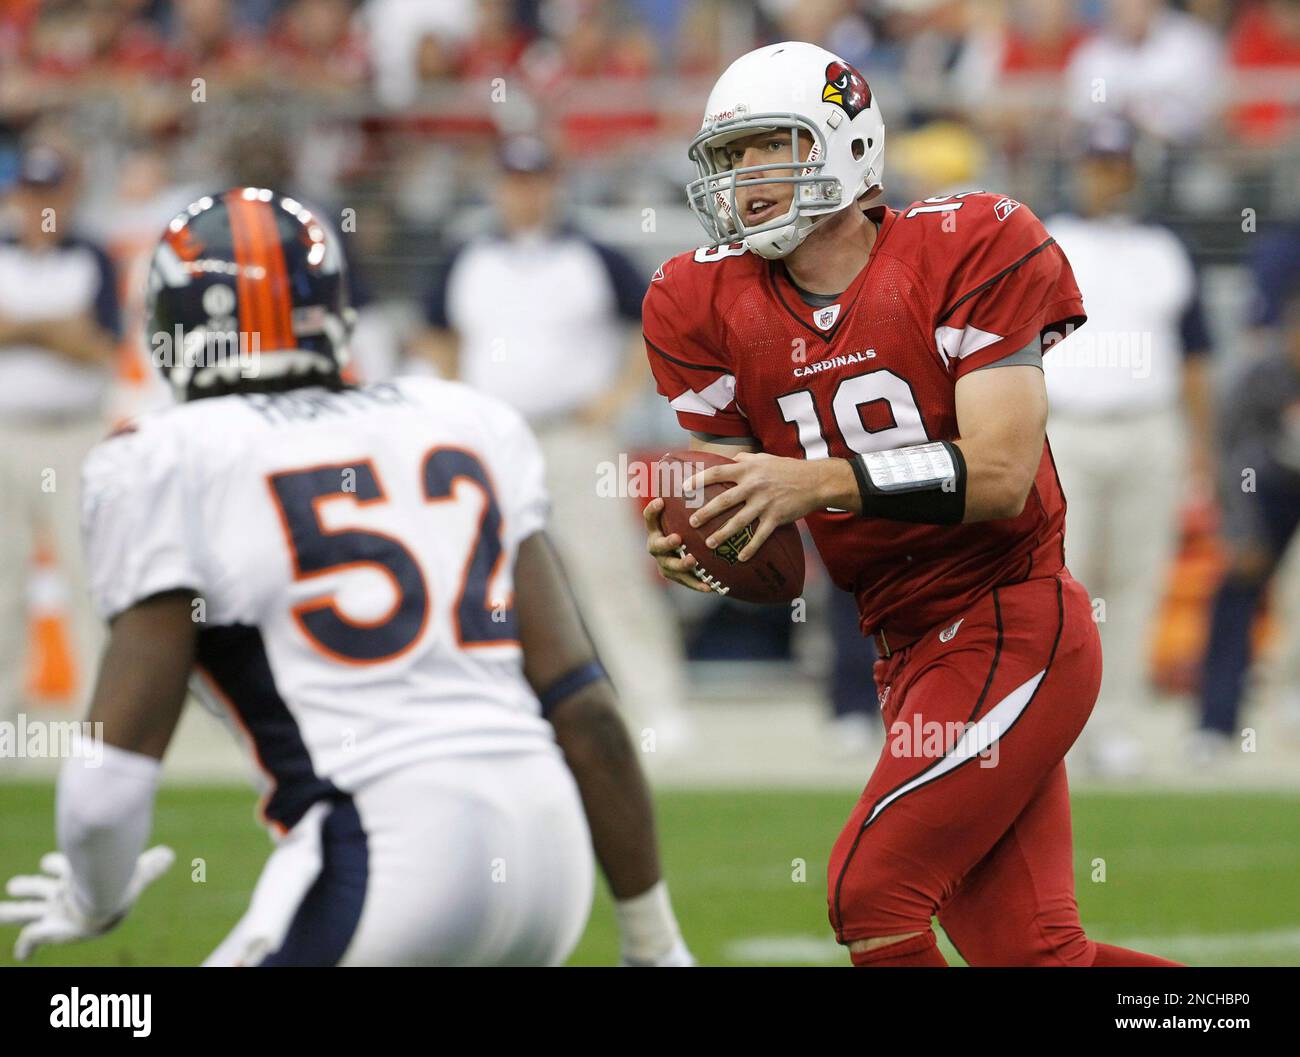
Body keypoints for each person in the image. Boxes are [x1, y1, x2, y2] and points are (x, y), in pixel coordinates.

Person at [0, 187, 691, 968]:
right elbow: (586, 710)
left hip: (385, 855)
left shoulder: (165, 457)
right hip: (550, 854)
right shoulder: (463, 419)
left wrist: (93, 895)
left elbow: (106, 790)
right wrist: (654, 942)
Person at [641, 41, 1177, 967]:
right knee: (1034, 957)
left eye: (770, 146)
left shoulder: (967, 241)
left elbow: (1002, 473)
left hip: (1013, 618)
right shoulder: (697, 298)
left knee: (869, 889)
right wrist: (709, 542)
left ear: (847, 144)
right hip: (901, 648)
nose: (745, 178)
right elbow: (742, 508)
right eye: (729, 157)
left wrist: (817, 482)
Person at [418, 135, 692, 752]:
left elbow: (653, 323)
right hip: (493, 438)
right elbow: (434, 332)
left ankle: (656, 706)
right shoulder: (468, 257)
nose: (524, 194)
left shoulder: (593, 254)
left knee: (609, 571)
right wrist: (457, 395)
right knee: (478, 575)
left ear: (553, 184)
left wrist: (619, 395)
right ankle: (485, 709)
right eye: (514, 182)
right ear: (498, 187)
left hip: (574, 433)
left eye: (535, 180)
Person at [1042, 117, 1213, 777]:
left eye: (1117, 164)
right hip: (1071, 426)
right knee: (1065, 581)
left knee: (1138, 583)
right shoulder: (1050, 237)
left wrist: (1200, 445)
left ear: (1133, 172)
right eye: (1097, 163)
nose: (1106, 176)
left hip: (1149, 424)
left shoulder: (1164, 248)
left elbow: (1196, 354)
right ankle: (1055, 724)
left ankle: (1116, 725)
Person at [0, 143, 120, 720]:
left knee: (86, 571)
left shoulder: (91, 255)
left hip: (76, 432)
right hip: (6, 431)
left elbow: (100, 348)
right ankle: (4, 713)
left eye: (51, 193)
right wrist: (56, 330)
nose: (40, 206)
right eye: (32, 194)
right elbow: (74, 338)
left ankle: (95, 715)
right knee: (4, 579)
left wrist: (22, 327)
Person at [1193, 277, 1300, 759]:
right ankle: (1216, 721)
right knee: (1235, 595)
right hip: (1265, 496)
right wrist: (1241, 530)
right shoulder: (1261, 376)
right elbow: (1230, 454)